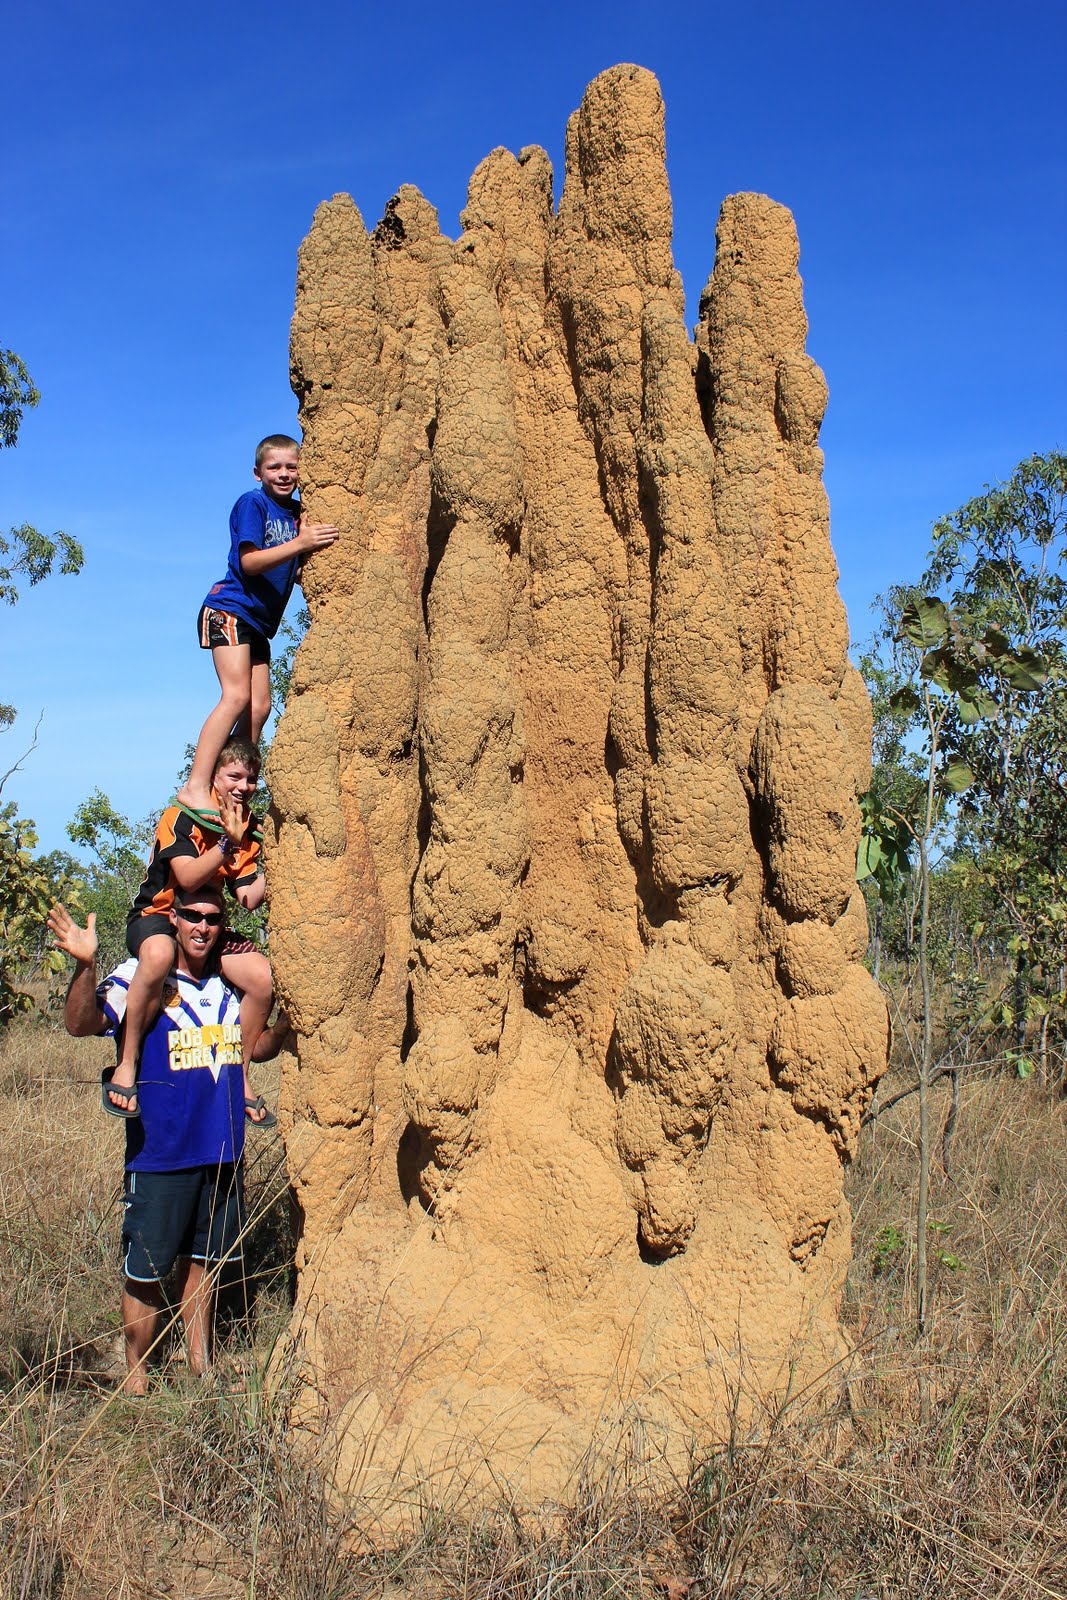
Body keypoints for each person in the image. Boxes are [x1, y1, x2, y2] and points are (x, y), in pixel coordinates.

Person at [47, 890, 291, 1395]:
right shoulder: (143, 978)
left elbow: (255, 1047)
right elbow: (81, 1023)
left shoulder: (231, 983)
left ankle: (201, 1367)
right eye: (191, 916)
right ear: (173, 920)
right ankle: (136, 1379)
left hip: (222, 1149)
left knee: (203, 1260)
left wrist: (291, 1022)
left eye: (212, 917)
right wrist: (86, 967)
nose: (202, 927)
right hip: (161, 1154)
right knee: (146, 1268)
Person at [112, 737, 275, 1125]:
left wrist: (289, 860)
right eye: (233, 775)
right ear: (213, 778)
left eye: (251, 779)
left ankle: (243, 1076)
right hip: (158, 916)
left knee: (262, 979)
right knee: (158, 955)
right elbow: (185, 876)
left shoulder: (245, 825)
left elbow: (248, 896)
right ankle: (127, 1062)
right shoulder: (182, 814)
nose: (242, 786)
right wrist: (225, 844)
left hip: (206, 926)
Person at [177, 434, 338, 814]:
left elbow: (292, 569)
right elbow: (248, 562)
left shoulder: (297, 513)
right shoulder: (253, 503)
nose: (284, 474)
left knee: (259, 707)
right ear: (258, 472)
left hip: (258, 624)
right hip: (230, 610)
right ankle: (196, 785)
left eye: (291, 466)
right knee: (236, 697)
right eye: (274, 467)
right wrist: (302, 544)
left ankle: (232, 783)